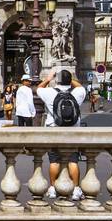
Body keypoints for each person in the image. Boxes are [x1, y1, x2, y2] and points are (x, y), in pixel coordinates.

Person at [35, 69, 86, 201]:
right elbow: (80, 86)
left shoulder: (49, 92)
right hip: (72, 131)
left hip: (54, 130)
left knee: (54, 160)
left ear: (57, 81)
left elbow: (39, 88)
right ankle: (76, 189)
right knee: (73, 160)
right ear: (70, 81)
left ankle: (52, 188)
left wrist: (48, 78)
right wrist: (70, 80)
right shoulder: (78, 92)